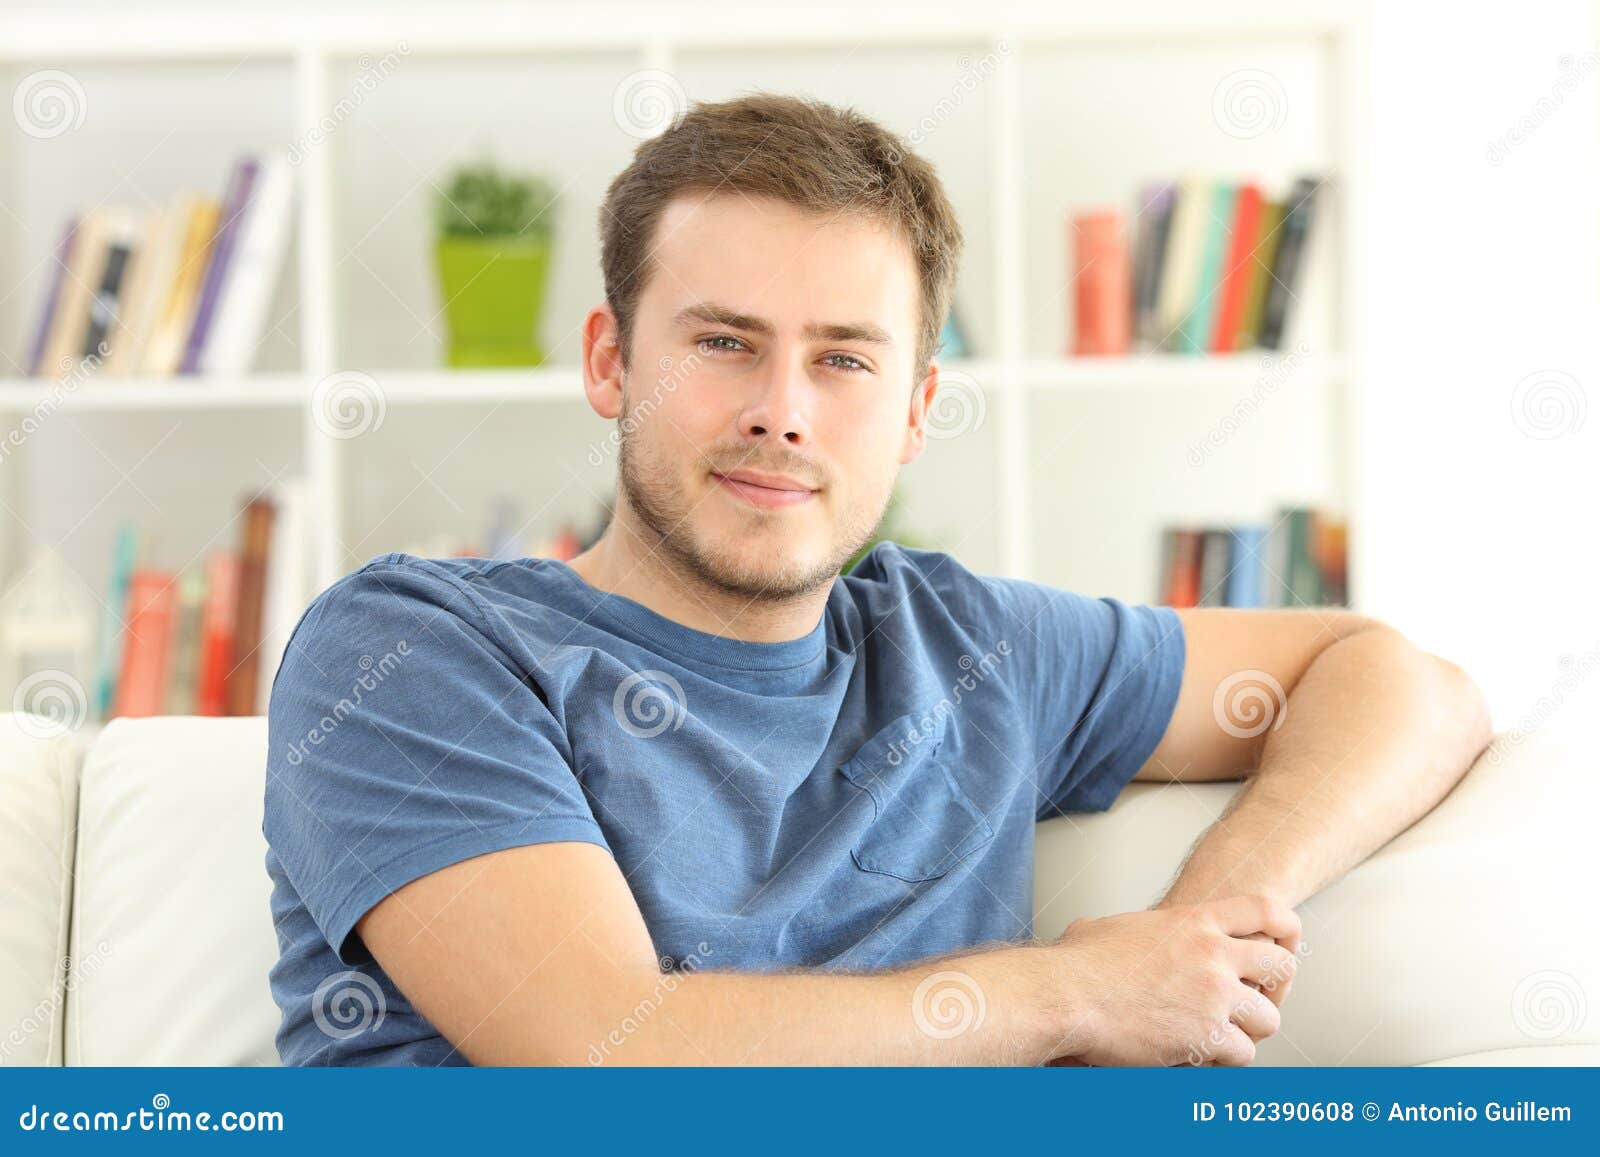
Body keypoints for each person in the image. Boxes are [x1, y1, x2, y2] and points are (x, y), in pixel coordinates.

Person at [263, 93, 1491, 1067]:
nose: (781, 412)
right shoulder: (415, 645)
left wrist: (1207, 921)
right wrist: (1072, 990)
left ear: (914, 410)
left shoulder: (967, 645)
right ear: (609, 361)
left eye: (842, 359)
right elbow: (600, 1049)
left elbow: (1400, 679)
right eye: (724, 342)